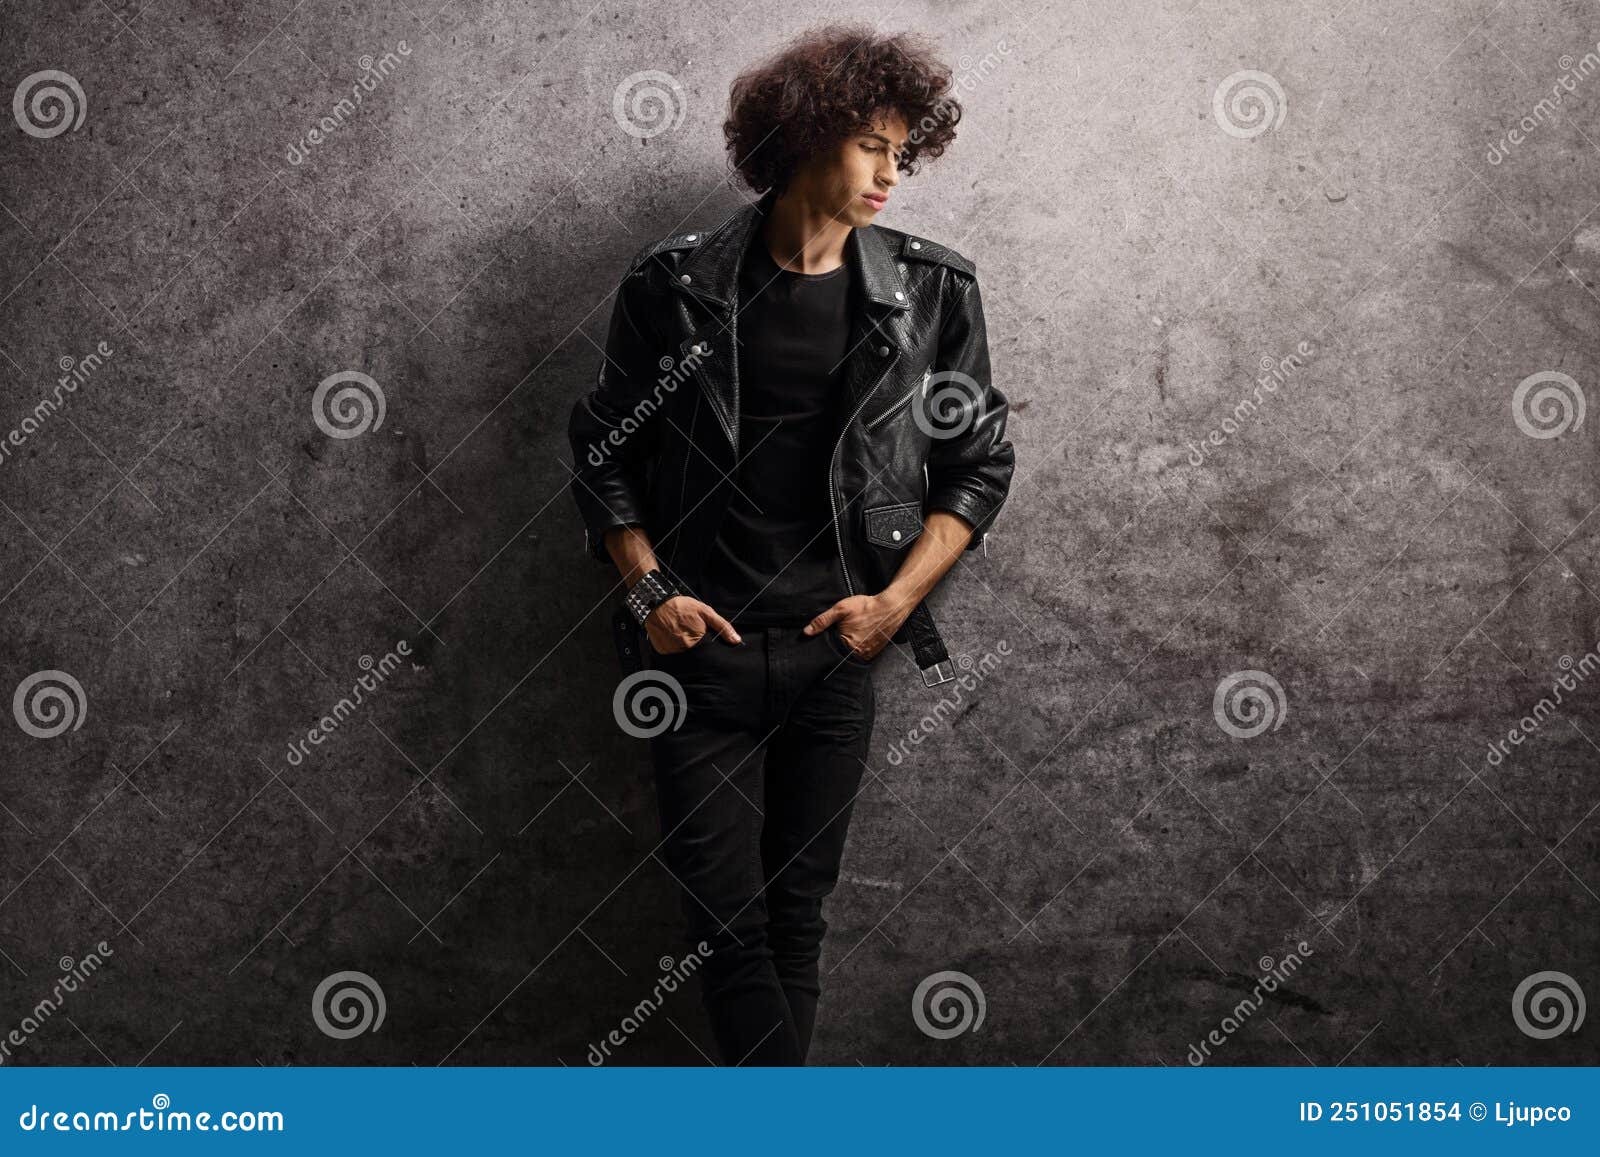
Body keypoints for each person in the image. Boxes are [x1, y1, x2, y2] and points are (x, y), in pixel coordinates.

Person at [567, 23, 1015, 1065]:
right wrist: (649, 594)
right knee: (724, 928)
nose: (891, 173)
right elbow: (602, 448)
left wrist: (893, 605)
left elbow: (979, 465)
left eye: (902, 152)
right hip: (697, 654)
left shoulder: (932, 291)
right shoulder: (675, 284)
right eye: (871, 146)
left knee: (795, 919)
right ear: (806, 136)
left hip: (835, 652)